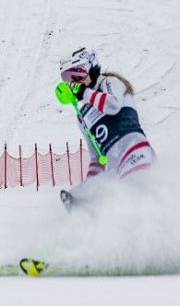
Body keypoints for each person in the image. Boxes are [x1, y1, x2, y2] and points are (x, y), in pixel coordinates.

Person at [54, 47, 156, 207]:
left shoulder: (110, 82)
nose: (74, 82)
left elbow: (113, 105)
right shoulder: (83, 115)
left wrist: (85, 93)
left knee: (135, 201)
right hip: (114, 165)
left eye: (78, 74)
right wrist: (90, 185)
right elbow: (97, 158)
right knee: (86, 195)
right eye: (68, 78)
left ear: (92, 67)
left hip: (134, 150)